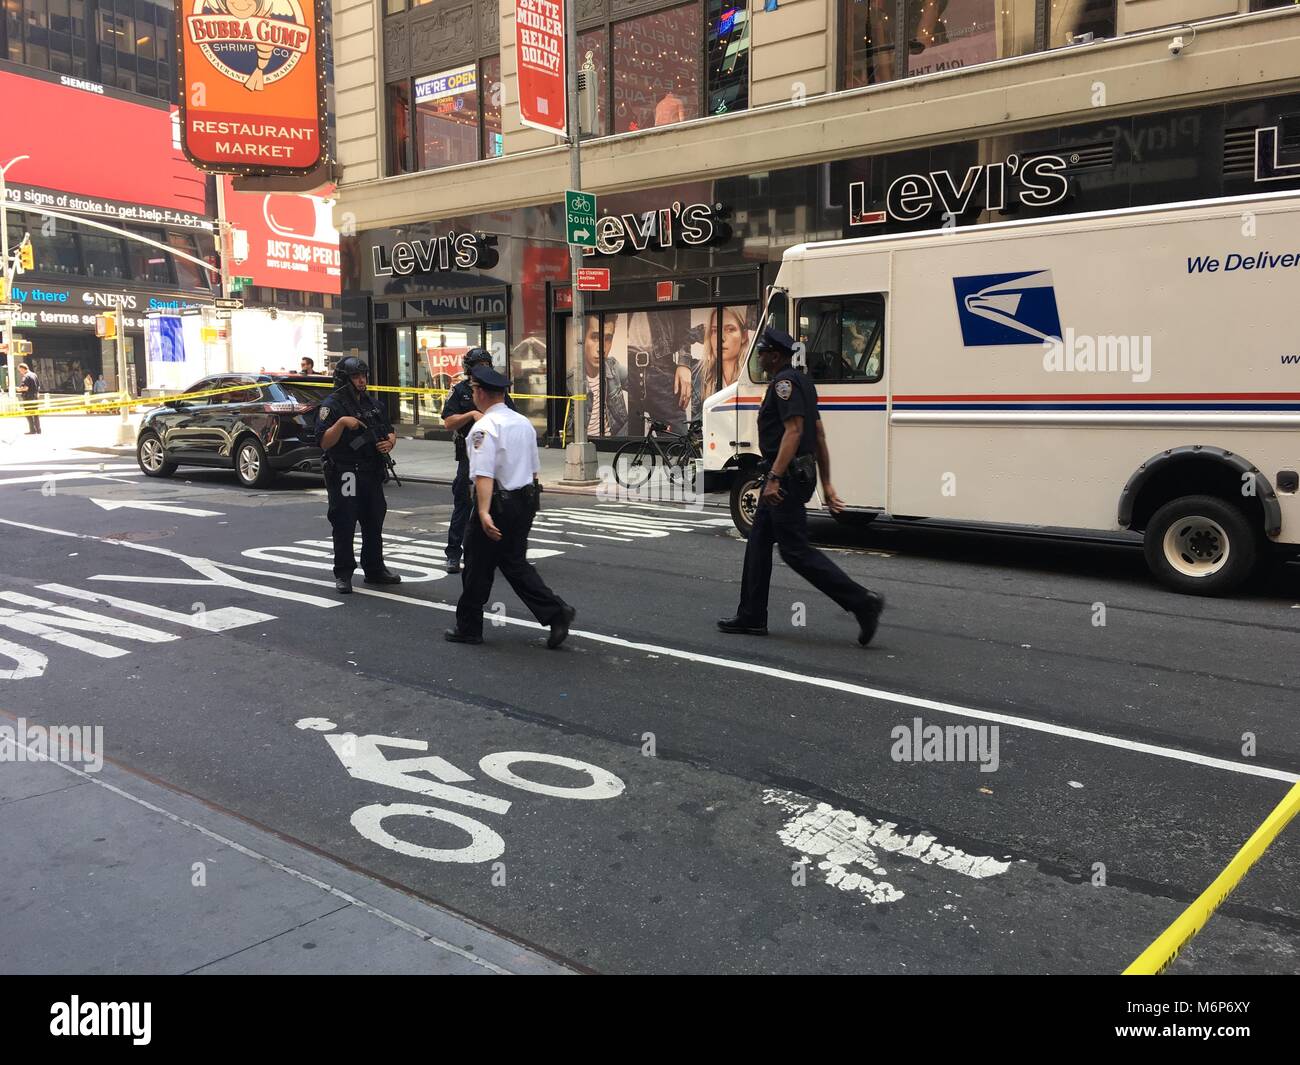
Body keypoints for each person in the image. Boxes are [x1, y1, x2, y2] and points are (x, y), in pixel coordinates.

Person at [717, 327, 884, 644]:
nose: (760, 357)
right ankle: (751, 615)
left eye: (763, 352)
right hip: (790, 476)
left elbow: (795, 433)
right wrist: (828, 483)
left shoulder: (784, 384)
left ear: (775, 356)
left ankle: (863, 602)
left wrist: (775, 478)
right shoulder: (803, 382)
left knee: (795, 551)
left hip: (785, 480)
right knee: (758, 544)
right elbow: (818, 435)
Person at [445, 363, 575, 649]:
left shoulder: (484, 427)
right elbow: (534, 469)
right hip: (524, 499)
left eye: (474, 389)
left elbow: (483, 474)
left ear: (480, 393)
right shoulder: (522, 422)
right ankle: (556, 612)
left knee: (477, 567)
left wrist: (482, 512)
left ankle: (468, 628)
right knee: (514, 563)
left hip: (496, 504)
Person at [314, 356, 402, 594]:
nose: (362, 380)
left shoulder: (373, 404)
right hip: (346, 473)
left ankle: (375, 569)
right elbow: (324, 442)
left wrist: (389, 443)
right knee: (344, 521)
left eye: (364, 375)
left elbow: (389, 431)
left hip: (371, 472)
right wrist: (342, 423)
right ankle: (343, 573)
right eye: (356, 376)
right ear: (344, 379)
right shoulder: (332, 406)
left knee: (374, 520)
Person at [440, 348, 516, 574]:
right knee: (464, 504)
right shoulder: (461, 391)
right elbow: (448, 422)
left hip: (495, 454)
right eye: (478, 364)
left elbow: (512, 416)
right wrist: (471, 415)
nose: (482, 368)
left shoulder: (496, 390)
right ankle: (454, 554)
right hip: (469, 454)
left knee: (498, 504)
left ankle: (497, 554)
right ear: (469, 368)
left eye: (486, 364)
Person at [568, 316, 626, 438]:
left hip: (612, 443)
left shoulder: (613, 367)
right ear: (582, 340)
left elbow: (642, 384)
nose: (601, 348)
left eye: (607, 339)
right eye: (595, 337)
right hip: (586, 446)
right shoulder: (570, 381)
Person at [18, 363, 40, 435]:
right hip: (35, 397)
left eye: (20, 370)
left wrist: (18, 389)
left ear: (22, 369)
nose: (20, 372)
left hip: (28, 398)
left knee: (29, 414)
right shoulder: (34, 375)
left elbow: (26, 388)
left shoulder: (26, 376)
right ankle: (38, 429)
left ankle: (32, 430)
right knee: (36, 414)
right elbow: (38, 386)